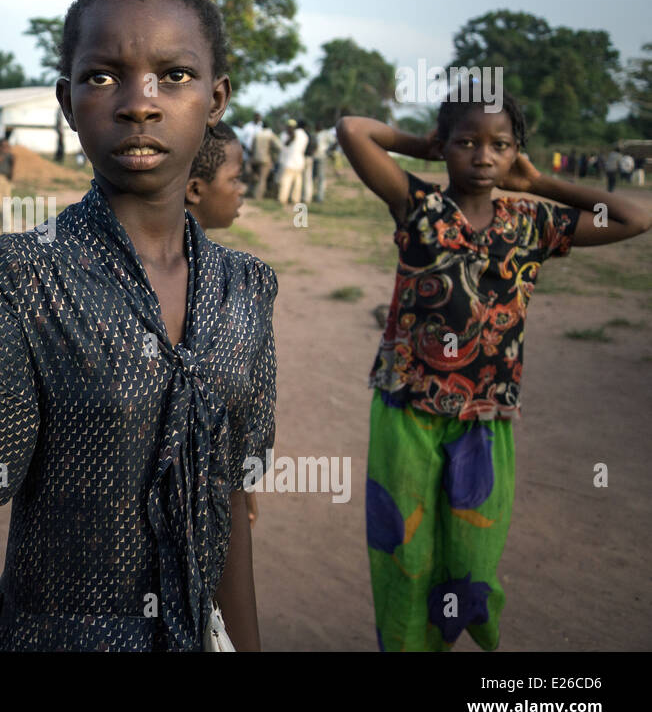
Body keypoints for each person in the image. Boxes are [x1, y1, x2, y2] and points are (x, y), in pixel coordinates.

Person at [0, 0, 276, 652]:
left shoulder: (245, 291)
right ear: (67, 101)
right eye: (103, 76)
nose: (140, 102)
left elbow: (225, 503)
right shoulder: (24, 276)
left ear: (216, 97)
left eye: (175, 75)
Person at [336, 91, 651, 652]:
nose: (483, 156)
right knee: (405, 555)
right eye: (467, 142)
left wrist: (538, 183)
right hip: (408, 406)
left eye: (500, 145)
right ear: (444, 148)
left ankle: (457, 626)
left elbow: (636, 217)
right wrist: (428, 146)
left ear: (517, 154)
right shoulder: (420, 208)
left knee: (470, 557)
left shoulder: (532, 223)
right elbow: (355, 130)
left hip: (487, 415)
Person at [183, 119, 258, 526]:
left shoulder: (233, 275)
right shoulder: (213, 282)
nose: (241, 189)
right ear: (195, 189)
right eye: (236, 178)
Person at [276, 119, 309, 206]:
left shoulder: (294, 133)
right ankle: (296, 199)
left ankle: (283, 198)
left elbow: (286, 144)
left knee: (286, 181)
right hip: (300, 161)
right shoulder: (305, 136)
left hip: (290, 161)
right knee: (298, 183)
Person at [249, 120, 281, 200]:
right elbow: (279, 146)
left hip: (255, 159)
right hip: (265, 160)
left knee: (256, 177)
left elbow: (251, 148)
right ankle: (258, 196)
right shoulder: (270, 135)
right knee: (262, 179)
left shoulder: (257, 134)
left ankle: (252, 192)